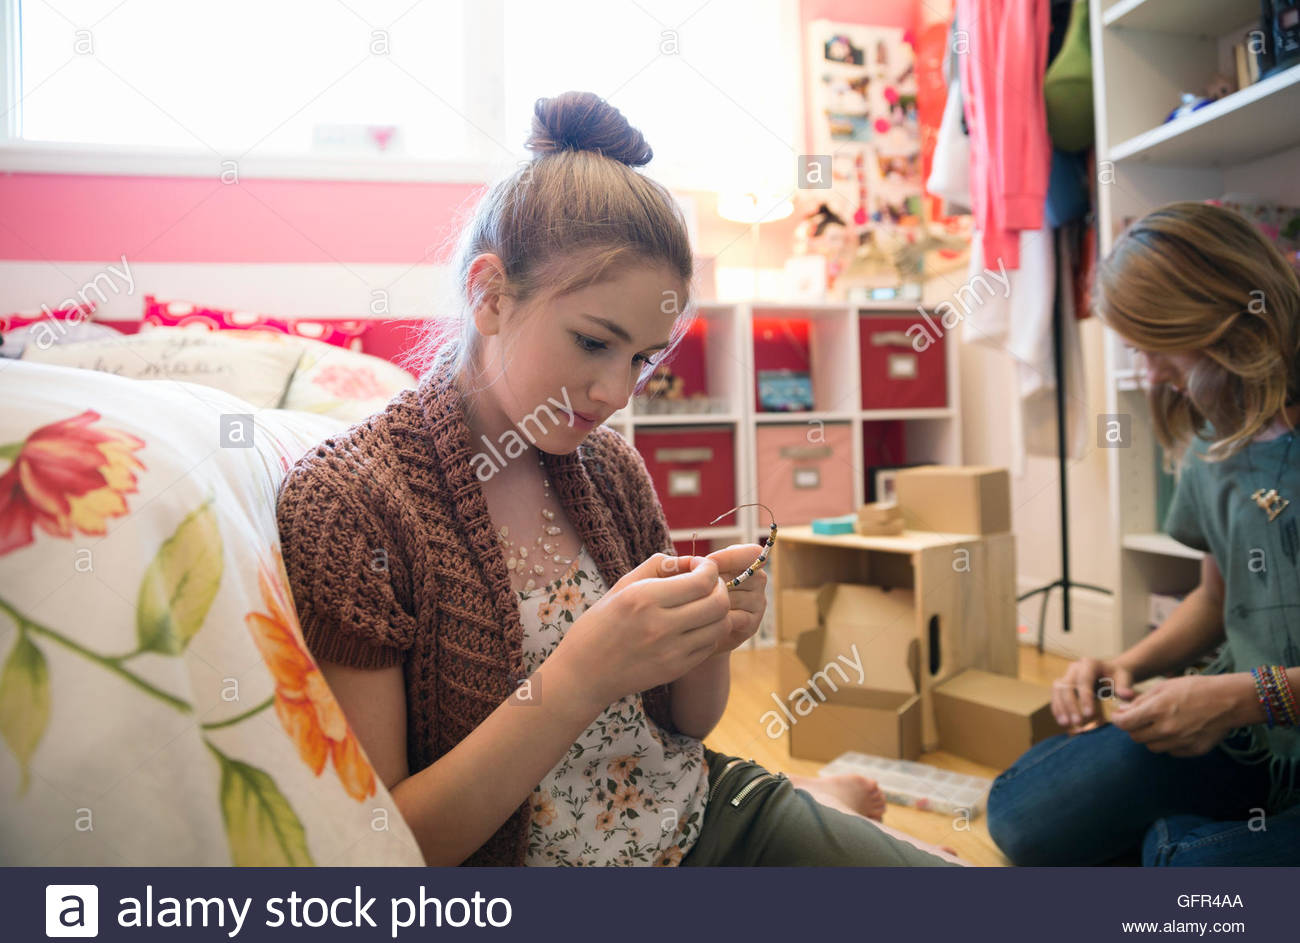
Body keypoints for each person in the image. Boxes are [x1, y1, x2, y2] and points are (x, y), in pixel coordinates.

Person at [276, 91, 961, 868]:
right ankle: (825, 795)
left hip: (706, 818)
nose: (615, 394)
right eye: (592, 342)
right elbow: (392, 849)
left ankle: (818, 800)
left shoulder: (609, 472)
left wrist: (712, 637)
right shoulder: (353, 506)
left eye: (643, 358)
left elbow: (686, 728)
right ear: (490, 294)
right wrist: (577, 679)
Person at [986, 201, 1300, 866]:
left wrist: (1251, 696)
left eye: (1159, 347)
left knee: (1201, 877)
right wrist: (1128, 665)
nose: (1152, 373)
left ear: (1219, 324)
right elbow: (1215, 601)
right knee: (1020, 815)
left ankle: (1181, 852)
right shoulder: (1212, 442)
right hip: (1252, 740)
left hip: (1257, 712)